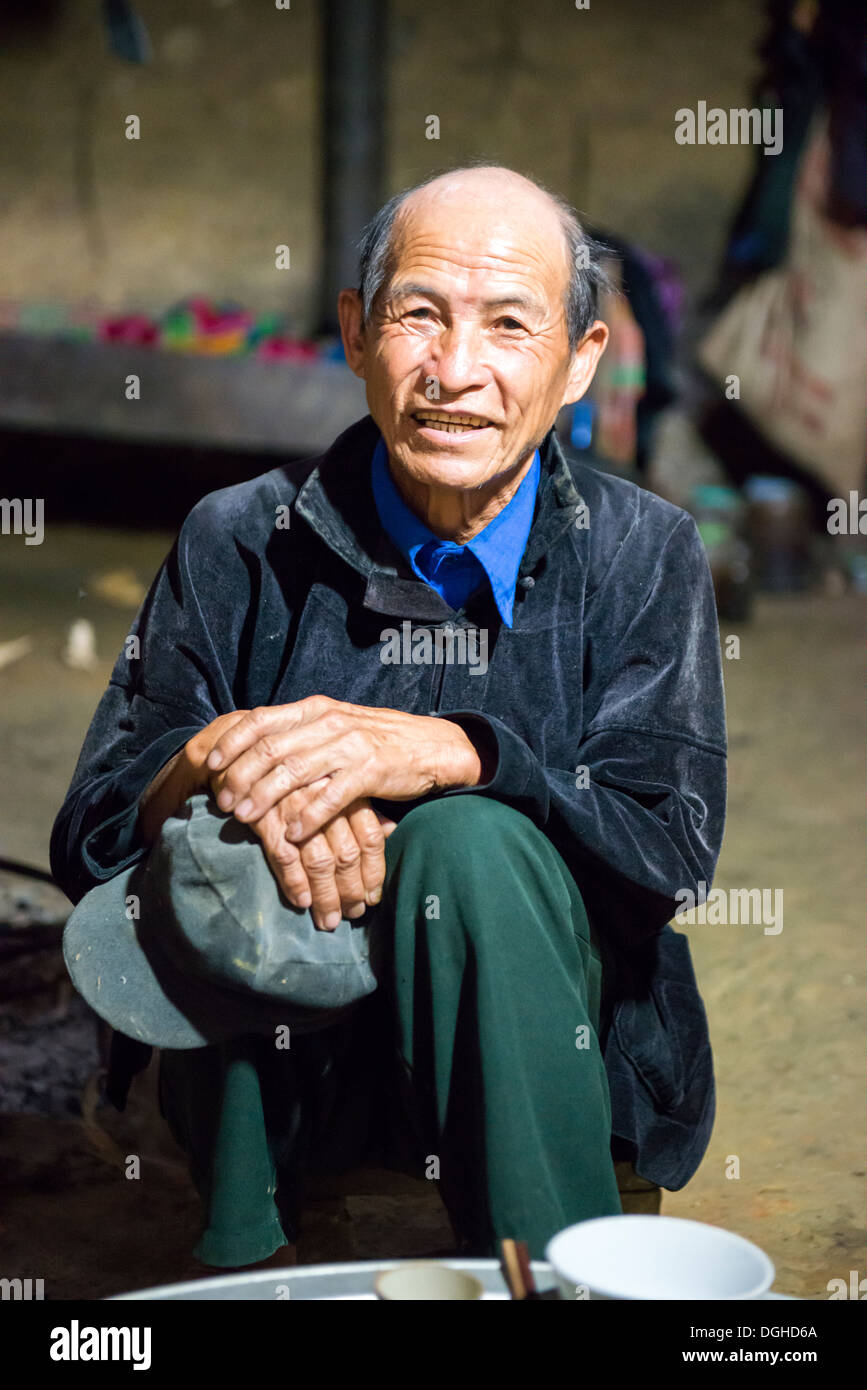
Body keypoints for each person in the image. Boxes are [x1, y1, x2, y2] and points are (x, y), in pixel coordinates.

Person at [51, 163, 726, 1268]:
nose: (455, 372)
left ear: (579, 366)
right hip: (299, 1058)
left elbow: (669, 847)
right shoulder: (240, 535)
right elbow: (89, 835)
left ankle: (547, 1270)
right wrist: (226, 763)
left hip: (545, 1046)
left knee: (464, 839)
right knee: (230, 829)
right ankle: (249, 1265)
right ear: (359, 334)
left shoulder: (643, 551)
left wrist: (464, 755)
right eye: (420, 316)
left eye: (509, 326)